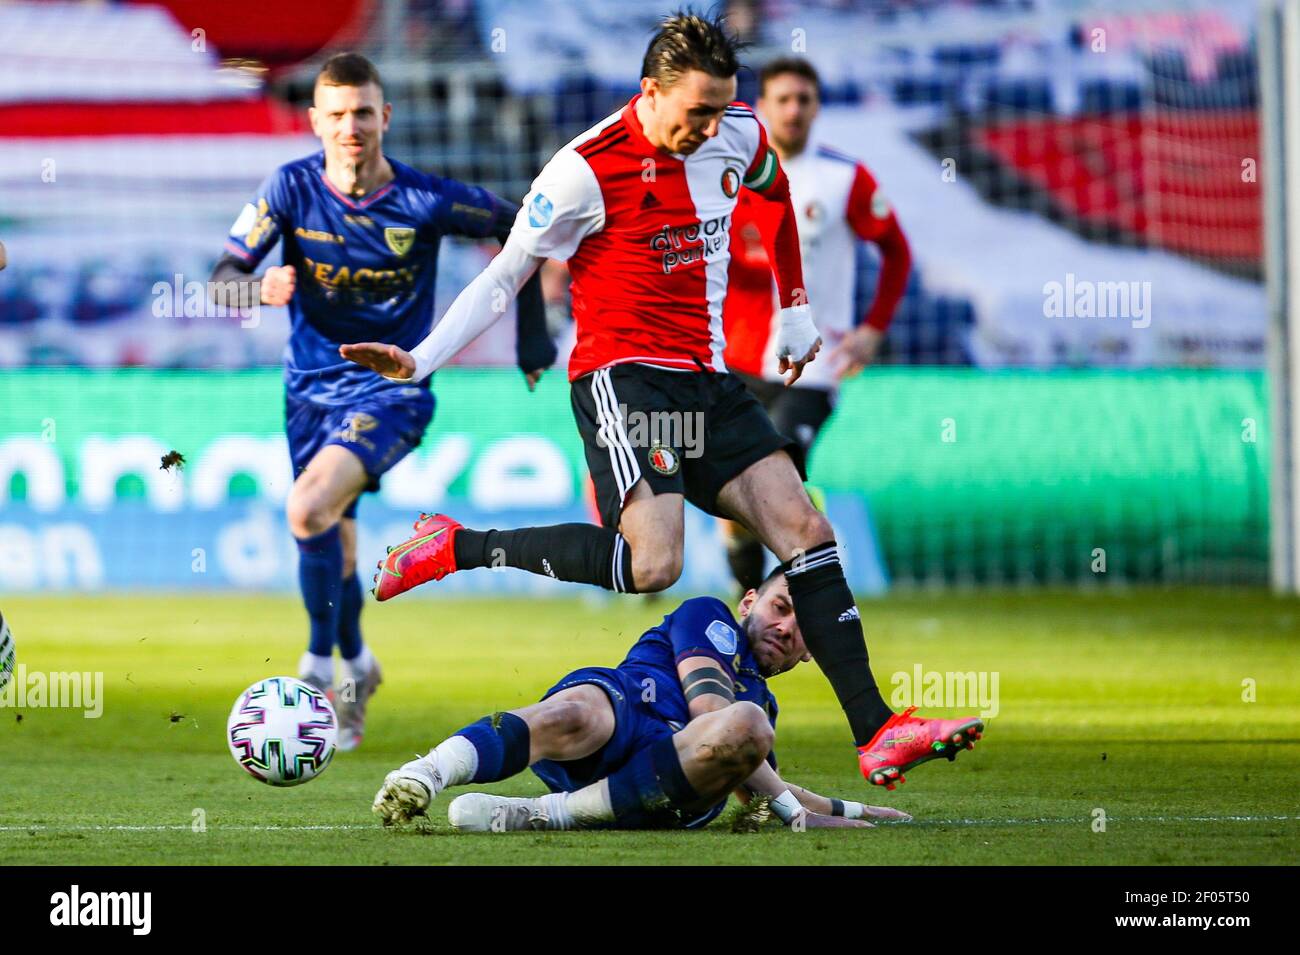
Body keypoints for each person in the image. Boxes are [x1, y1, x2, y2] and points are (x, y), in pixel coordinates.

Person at [342, 12, 976, 789]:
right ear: (651, 92)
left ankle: (876, 730)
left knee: (807, 530)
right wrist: (420, 359)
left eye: (720, 110)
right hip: (623, 374)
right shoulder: (583, 169)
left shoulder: (736, 134)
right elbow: (504, 276)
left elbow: (775, 200)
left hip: (706, 378)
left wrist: (796, 306)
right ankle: (455, 545)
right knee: (657, 564)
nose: (710, 128)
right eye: (695, 113)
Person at [208, 52, 553, 750]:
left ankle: (311, 671)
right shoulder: (289, 188)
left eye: (363, 111)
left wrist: (533, 334)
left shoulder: (424, 198)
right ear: (315, 121)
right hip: (307, 392)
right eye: (336, 114)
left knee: (307, 507)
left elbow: (521, 226)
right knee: (331, 539)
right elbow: (220, 277)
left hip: (392, 389)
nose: (350, 126)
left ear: (385, 116)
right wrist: (255, 288)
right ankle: (360, 668)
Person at [371, 570, 975, 831]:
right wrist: (792, 809)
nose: (787, 627)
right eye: (780, 606)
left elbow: (758, 791)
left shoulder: (761, 714)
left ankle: (543, 815)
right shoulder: (708, 618)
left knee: (748, 726)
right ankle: (427, 772)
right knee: (577, 708)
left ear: (813, 653)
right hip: (619, 715)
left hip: (672, 785)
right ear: (748, 602)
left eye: (804, 628)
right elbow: (713, 715)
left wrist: (852, 810)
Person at [721, 56, 912, 591]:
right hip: (736, 360)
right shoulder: (730, 182)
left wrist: (874, 328)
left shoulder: (844, 178)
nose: (793, 109)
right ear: (762, 108)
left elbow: (896, 253)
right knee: (734, 501)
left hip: (814, 367)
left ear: (817, 107)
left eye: (803, 99)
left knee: (773, 466)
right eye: (782, 99)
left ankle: (795, 593)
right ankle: (748, 603)